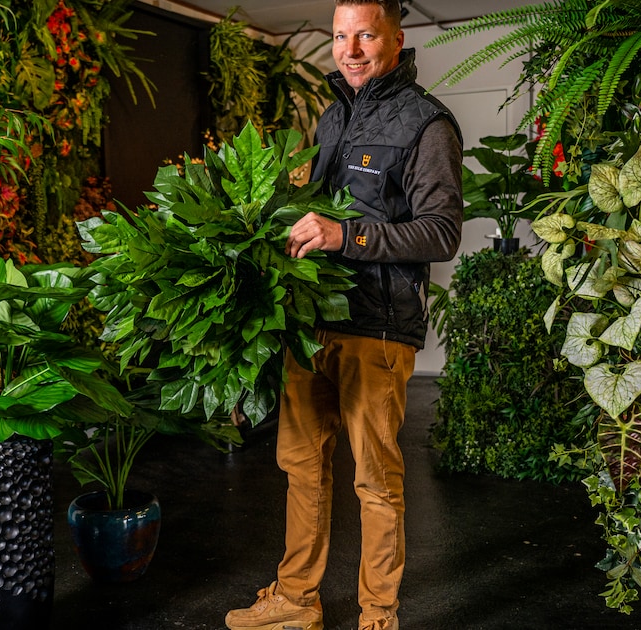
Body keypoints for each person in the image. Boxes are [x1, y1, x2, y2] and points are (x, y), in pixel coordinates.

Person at [224, 1, 463, 629]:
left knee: (375, 482)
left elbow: (440, 233)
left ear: (395, 39)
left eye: (365, 35)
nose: (350, 49)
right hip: (312, 321)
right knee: (301, 468)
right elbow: (316, 210)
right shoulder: (333, 120)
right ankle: (296, 600)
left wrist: (345, 238)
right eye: (340, 36)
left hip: (377, 328)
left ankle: (376, 614)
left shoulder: (427, 124)